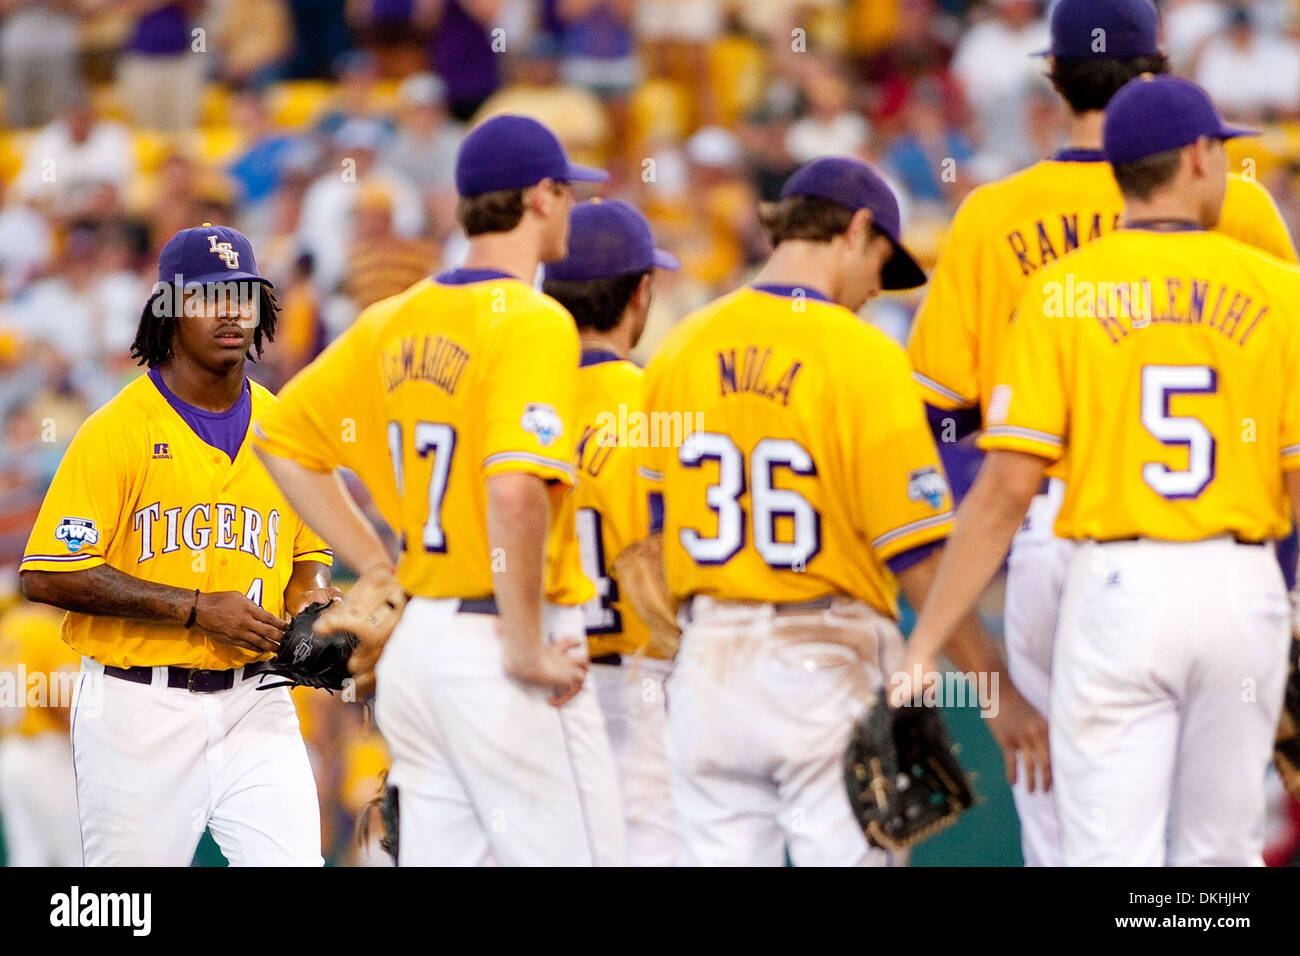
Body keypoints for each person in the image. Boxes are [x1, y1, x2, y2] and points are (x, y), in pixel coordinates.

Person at [905, 0, 1299, 868]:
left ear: (1052, 75)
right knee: (1216, 855)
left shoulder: (999, 223)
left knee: (1078, 836)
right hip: (1239, 558)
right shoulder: (1246, 217)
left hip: (1067, 540)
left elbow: (941, 425)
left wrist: (938, 634)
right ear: (1160, 74)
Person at [637, 156, 1048, 867]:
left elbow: (645, 546)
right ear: (858, 229)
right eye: (880, 267)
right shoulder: (863, 358)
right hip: (824, 659)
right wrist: (995, 690)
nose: (871, 293)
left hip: (707, 666)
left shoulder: (678, 349)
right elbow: (918, 558)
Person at [252, 115, 627, 866]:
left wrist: (379, 563)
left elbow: (280, 441)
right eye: (566, 191)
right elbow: (516, 492)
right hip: (499, 641)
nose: (571, 207)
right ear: (542, 198)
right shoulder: (532, 319)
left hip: (418, 650)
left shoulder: (392, 317)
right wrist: (523, 646)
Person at [18, 224, 338, 866]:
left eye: (243, 295)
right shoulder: (117, 430)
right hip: (138, 706)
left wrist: (313, 615)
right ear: (167, 309)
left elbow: (309, 558)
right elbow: (49, 574)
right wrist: (194, 606)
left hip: (257, 701)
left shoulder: (285, 428)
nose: (231, 313)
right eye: (208, 297)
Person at [541, 198, 680, 867]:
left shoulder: (513, 406)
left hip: (531, 682)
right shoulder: (659, 408)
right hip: (643, 685)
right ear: (641, 292)